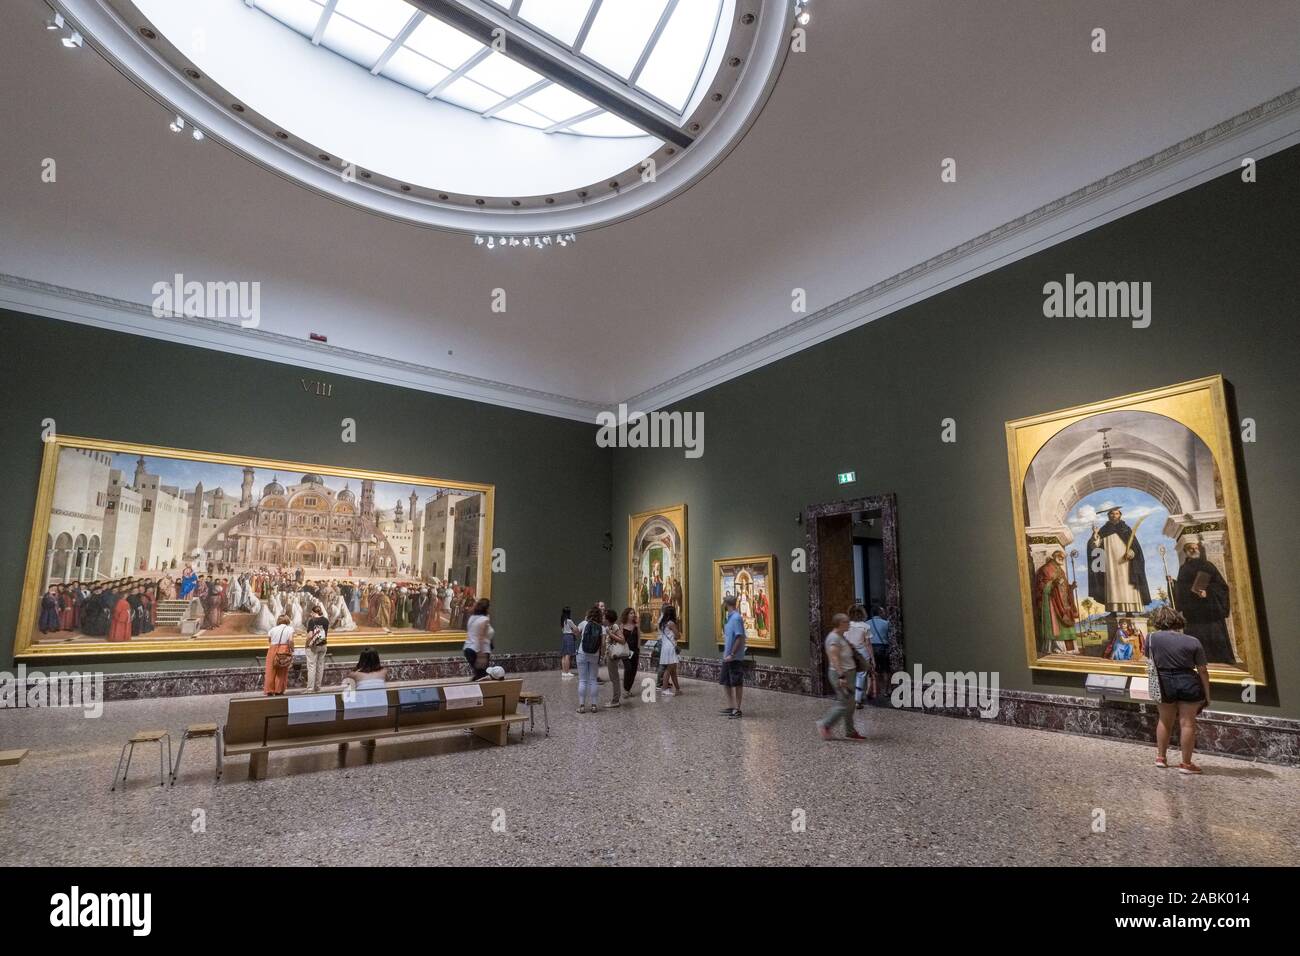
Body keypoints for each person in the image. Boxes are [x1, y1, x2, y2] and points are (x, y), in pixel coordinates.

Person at [1147, 606, 1212, 774]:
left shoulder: (1151, 638)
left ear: (1159, 621)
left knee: (1164, 720)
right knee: (1187, 723)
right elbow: (1203, 670)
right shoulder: (1192, 641)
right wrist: (1207, 694)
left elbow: (1149, 657)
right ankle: (1186, 764)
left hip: (1163, 682)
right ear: (1178, 620)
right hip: (1188, 681)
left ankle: (1161, 758)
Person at [1173, 540, 1234, 664]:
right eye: (1191, 548)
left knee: (1215, 639)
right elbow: (1181, 589)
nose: (1195, 550)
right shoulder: (1184, 569)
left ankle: (1220, 661)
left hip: (1210, 611)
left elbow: (1222, 586)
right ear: (1185, 552)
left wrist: (1208, 592)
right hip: (1194, 613)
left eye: (1196, 548)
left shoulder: (1208, 565)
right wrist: (1172, 584)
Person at [818, 613, 864, 740]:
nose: (849, 624)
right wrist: (841, 676)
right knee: (844, 703)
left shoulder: (840, 636)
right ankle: (825, 724)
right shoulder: (834, 638)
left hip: (849, 673)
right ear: (840, 623)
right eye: (847, 622)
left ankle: (850, 730)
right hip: (841, 674)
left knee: (850, 704)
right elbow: (834, 658)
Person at [720, 594, 747, 718]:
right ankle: (731, 706)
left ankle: (737, 709)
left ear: (727, 604)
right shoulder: (730, 618)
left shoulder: (736, 618)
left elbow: (739, 637)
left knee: (737, 683)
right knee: (726, 682)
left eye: (724, 603)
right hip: (727, 657)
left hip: (734, 657)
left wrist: (732, 653)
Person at [575, 606, 604, 714]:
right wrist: (601, 656)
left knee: (582, 680)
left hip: (582, 653)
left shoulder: (584, 623)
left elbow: (576, 633)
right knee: (593, 680)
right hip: (595, 655)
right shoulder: (601, 627)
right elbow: (603, 644)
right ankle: (594, 705)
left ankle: (582, 706)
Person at [845, 605, 872, 708]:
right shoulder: (865, 626)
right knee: (861, 676)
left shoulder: (846, 626)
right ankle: (858, 700)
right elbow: (868, 644)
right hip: (862, 653)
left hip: (849, 653)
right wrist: (872, 658)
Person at [264, 613, 295, 696]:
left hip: (272, 649)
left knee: (270, 670)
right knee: (281, 671)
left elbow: (269, 640)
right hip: (283, 649)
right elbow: (291, 640)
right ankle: (279, 690)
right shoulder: (290, 629)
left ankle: (269, 690)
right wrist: (292, 649)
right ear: (287, 620)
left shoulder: (272, 629)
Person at [463, 598, 493, 680]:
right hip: (480, 650)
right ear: (487, 608)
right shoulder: (484, 620)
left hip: (468, 649)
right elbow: (481, 638)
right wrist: (481, 655)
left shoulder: (472, 618)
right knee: (483, 678)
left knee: (479, 676)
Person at [304, 603, 330, 693]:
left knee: (311, 666)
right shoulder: (326, 620)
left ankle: (310, 689)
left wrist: (307, 644)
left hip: (314, 646)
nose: (311, 614)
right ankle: (318, 687)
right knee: (320, 666)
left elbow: (310, 635)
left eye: (311, 612)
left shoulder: (312, 621)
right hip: (323, 644)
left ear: (314, 612)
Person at [603, 607, 626, 708]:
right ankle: (615, 699)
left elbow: (622, 640)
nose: (602, 618)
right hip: (610, 654)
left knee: (614, 678)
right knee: (613, 677)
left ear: (608, 618)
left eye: (604, 617)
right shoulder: (611, 627)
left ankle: (615, 700)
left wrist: (610, 634)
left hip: (613, 655)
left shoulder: (614, 627)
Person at [867, 606, 891, 699]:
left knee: (872, 670)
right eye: (883, 611)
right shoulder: (886, 623)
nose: (884, 613)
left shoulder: (866, 624)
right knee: (885, 670)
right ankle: (886, 690)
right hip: (883, 647)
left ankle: (872, 690)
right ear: (880, 613)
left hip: (872, 648)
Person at [658, 605, 681, 697]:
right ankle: (664, 689)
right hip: (670, 648)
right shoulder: (671, 623)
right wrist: (676, 635)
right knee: (669, 669)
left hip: (665, 647)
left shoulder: (663, 623)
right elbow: (678, 635)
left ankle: (678, 689)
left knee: (673, 670)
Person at [619, 607, 641, 699]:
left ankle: (628, 689)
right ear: (627, 615)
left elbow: (639, 638)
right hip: (625, 651)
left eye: (633, 613)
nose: (633, 615)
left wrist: (639, 650)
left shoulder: (636, 626)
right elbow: (620, 639)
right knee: (628, 669)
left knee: (633, 670)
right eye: (631, 613)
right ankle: (625, 688)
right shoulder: (622, 626)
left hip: (634, 651)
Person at [559, 606, 579, 679]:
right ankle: (567, 672)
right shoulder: (569, 621)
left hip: (564, 636)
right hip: (569, 637)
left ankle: (564, 671)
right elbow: (576, 628)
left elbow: (562, 630)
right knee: (568, 655)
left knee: (564, 655)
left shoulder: (562, 621)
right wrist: (576, 632)